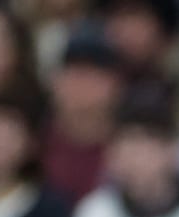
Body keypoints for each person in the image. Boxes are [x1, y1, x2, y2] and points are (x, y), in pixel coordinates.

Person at [41, 27, 125, 207]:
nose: (82, 85)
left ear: (116, 85)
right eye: (74, 73)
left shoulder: (129, 147)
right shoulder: (31, 143)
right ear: (54, 81)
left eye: (94, 75)